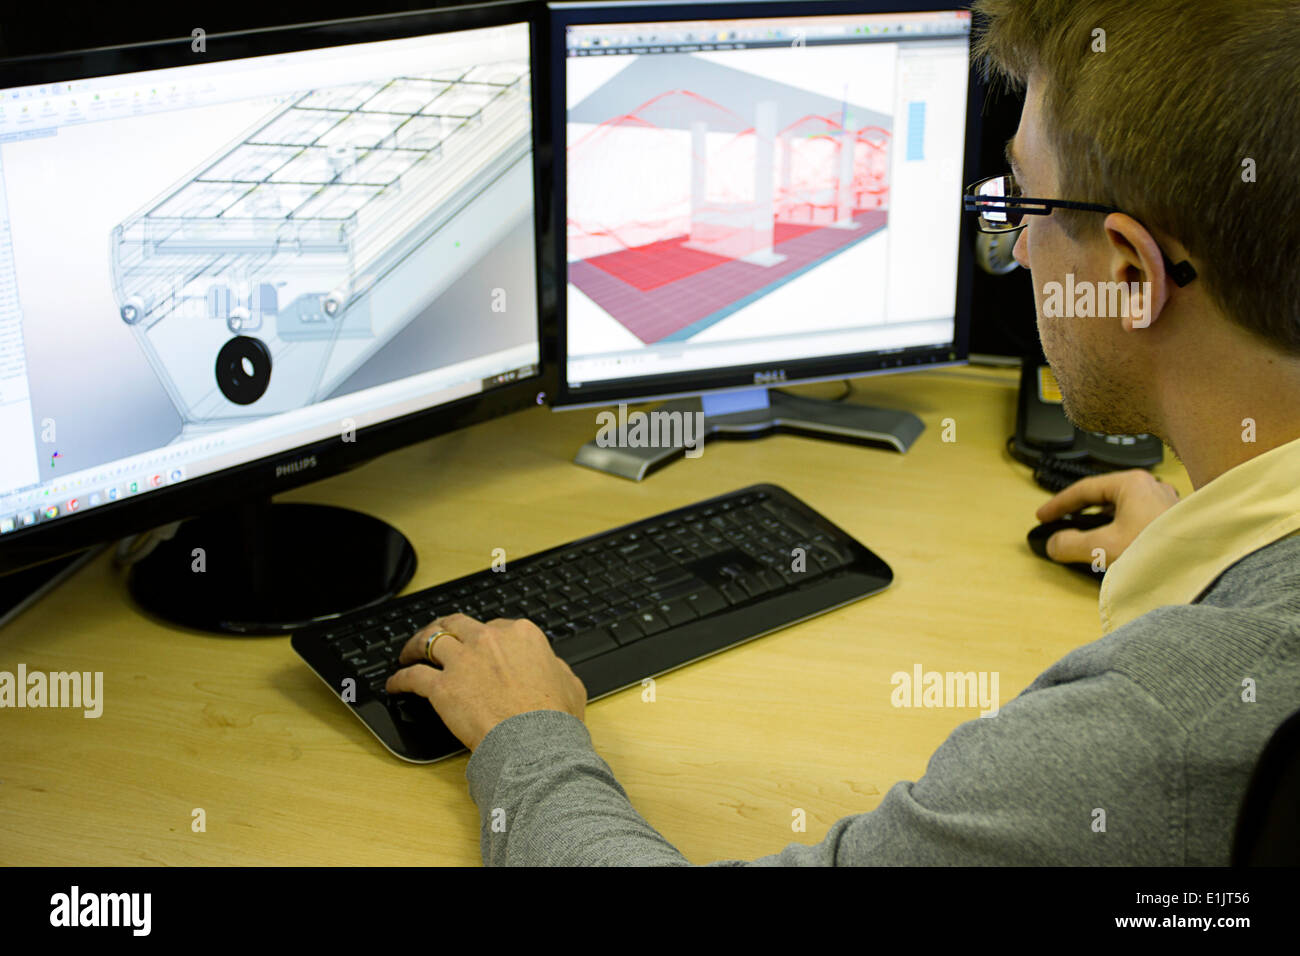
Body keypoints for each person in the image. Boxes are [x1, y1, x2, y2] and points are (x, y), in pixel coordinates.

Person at [387, 0, 1300, 864]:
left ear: (1132, 277)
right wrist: (1201, 557)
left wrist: (528, 737)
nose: (1015, 247)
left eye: (1023, 204)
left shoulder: (1148, 730)